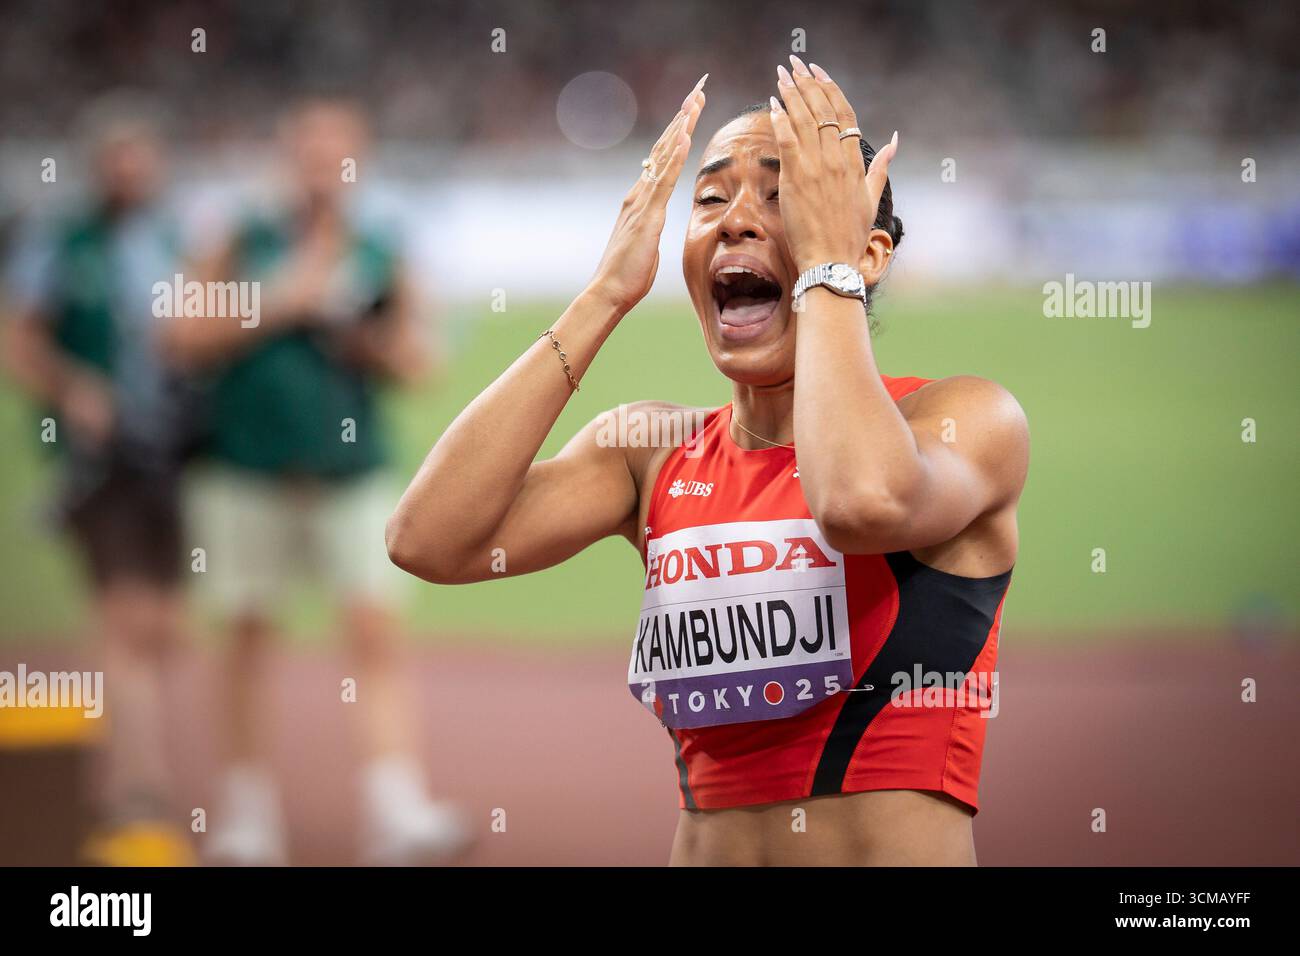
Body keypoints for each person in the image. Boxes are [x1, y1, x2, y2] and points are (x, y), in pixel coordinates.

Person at [387, 59, 1029, 866]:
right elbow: (426, 541)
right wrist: (602, 298)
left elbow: (858, 503)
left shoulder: (962, 420)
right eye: (712, 197)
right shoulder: (651, 456)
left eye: (783, 195)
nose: (737, 220)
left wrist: (826, 271)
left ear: (868, 253)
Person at [162, 98, 468, 865]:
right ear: (286, 158)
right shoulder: (239, 236)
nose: (323, 171)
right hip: (245, 470)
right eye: (309, 154)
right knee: (244, 634)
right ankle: (245, 814)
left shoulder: (379, 243)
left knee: (374, 632)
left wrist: (359, 335)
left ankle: (396, 807)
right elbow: (180, 335)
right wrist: (282, 301)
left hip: (350, 470)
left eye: (338, 156)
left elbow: (420, 360)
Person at [2, 95, 197, 866]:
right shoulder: (62, 242)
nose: (131, 170)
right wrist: (73, 391)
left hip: (168, 453)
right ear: (97, 165)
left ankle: (130, 760)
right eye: (118, 156)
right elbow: (19, 339)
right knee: (122, 619)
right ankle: (139, 787)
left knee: (164, 628)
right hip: (98, 461)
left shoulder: (179, 239)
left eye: (141, 155)